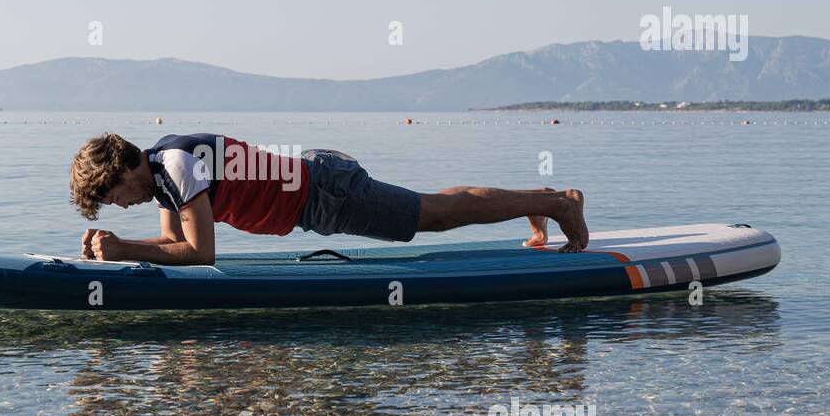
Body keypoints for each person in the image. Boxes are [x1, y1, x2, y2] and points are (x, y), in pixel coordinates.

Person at [68, 132, 589, 265]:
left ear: (128, 167)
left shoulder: (176, 164)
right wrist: (119, 250)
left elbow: (200, 255)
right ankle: (538, 199)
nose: (117, 206)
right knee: (433, 210)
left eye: (112, 195)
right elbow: (171, 244)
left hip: (324, 193)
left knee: (435, 216)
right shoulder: (161, 172)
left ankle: (557, 203)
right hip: (314, 194)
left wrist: (124, 250)